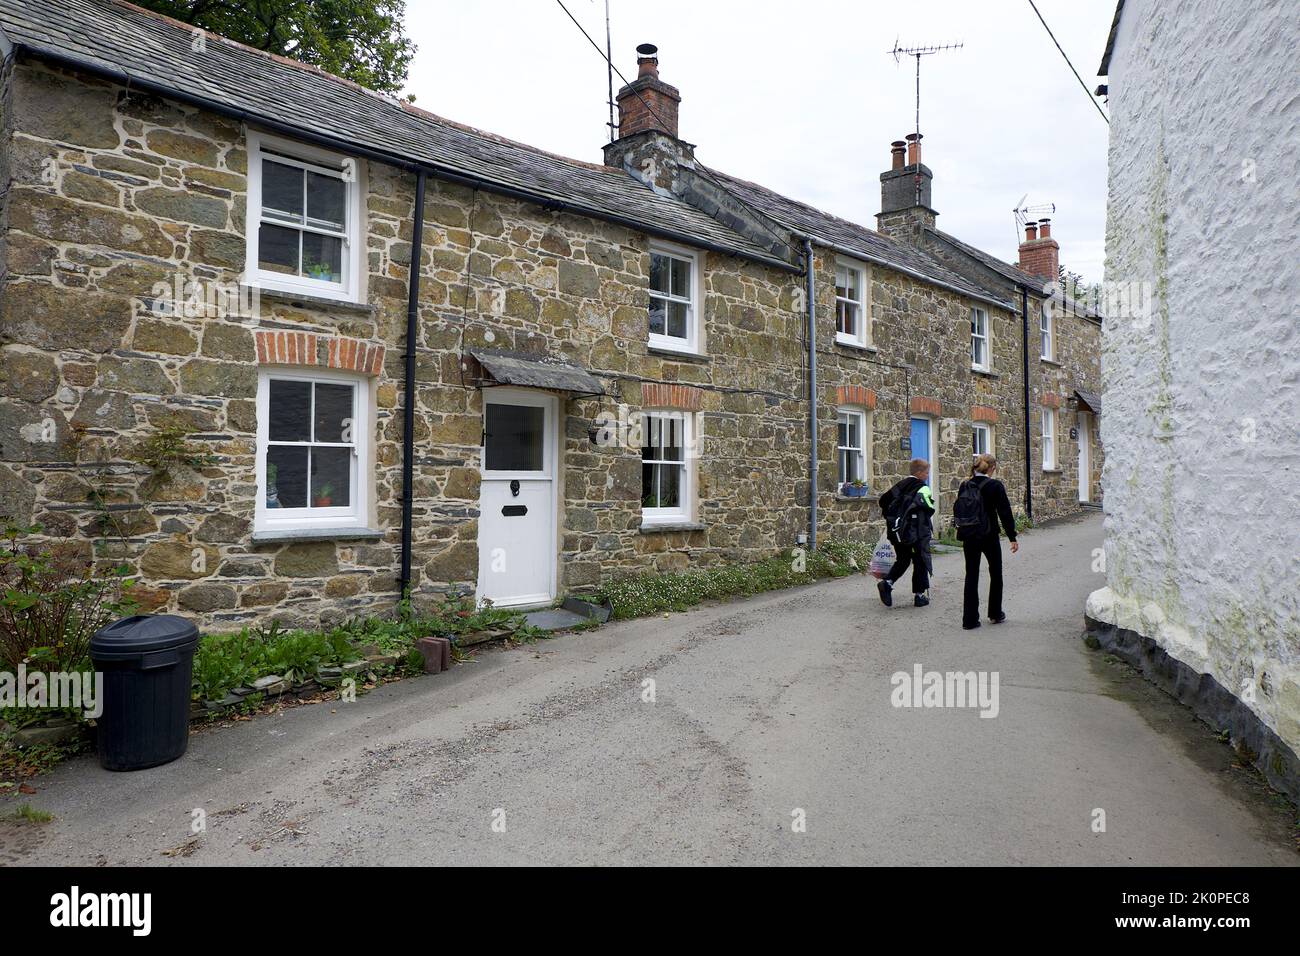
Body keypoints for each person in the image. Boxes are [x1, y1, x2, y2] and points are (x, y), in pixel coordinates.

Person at [953, 453, 1019, 630]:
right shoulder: (995, 486)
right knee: (996, 573)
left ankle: (969, 620)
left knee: (971, 575)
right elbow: (1004, 512)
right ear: (992, 468)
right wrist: (1012, 536)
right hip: (989, 535)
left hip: (969, 535)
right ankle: (995, 613)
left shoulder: (965, 484)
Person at [876, 458, 935, 608]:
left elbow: (883, 501)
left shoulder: (900, 485)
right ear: (919, 472)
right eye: (927, 472)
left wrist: (894, 518)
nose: (928, 476)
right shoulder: (922, 488)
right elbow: (929, 508)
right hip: (915, 532)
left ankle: (887, 583)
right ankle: (919, 595)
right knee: (920, 561)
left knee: (903, 559)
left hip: (896, 531)